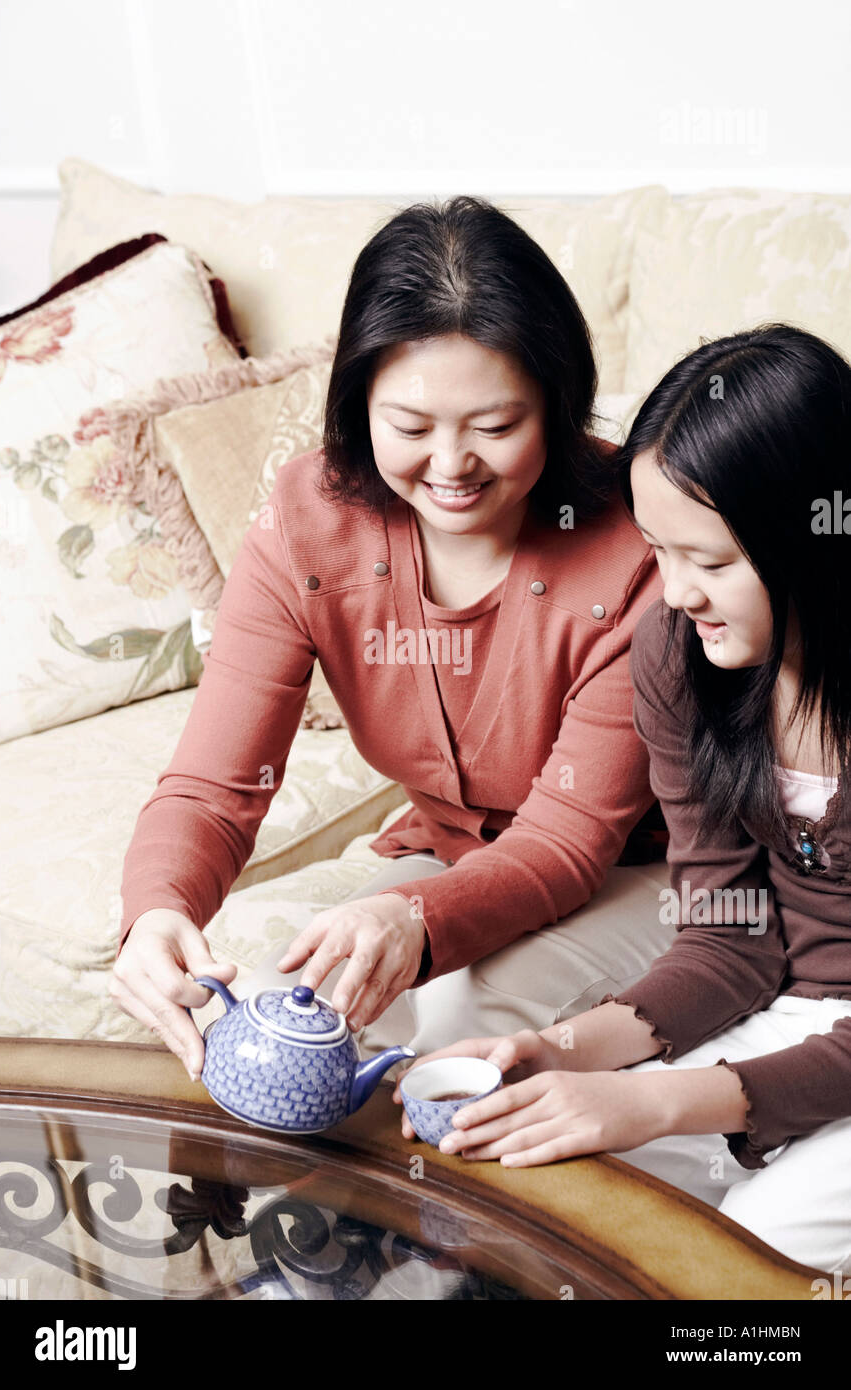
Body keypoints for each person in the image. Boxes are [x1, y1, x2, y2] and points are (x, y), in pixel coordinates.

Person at [110, 195, 671, 1080]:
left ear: (559, 405)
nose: (451, 467)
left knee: (459, 1020)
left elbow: (566, 846)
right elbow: (215, 788)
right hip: (449, 858)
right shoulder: (311, 521)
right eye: (409, 428)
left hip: (650, 869)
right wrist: (156, 913)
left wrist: (416, 918)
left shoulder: (637, 547)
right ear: (358, 403)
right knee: (267, 1021)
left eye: (496, 426)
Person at [394, 323, 851, 1274]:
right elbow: (729, 935)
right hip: (799, 1017)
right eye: (657, 549)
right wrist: (567, 1049)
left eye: (713, 561)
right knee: (568, 1191)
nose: (675, 591)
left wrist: (657, 1099)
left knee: (736, 1251)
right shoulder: (681, 656)